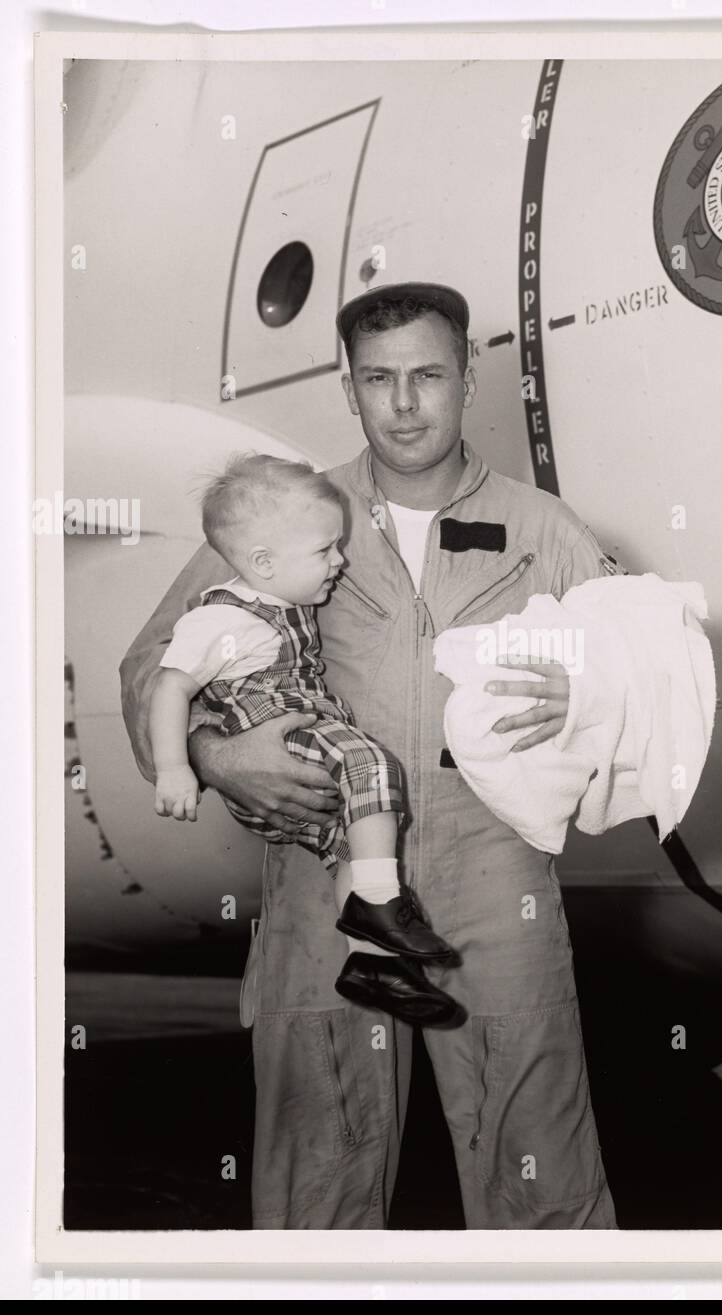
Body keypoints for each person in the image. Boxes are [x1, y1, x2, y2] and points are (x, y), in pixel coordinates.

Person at [120, 281, 619, 1229]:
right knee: (320, 1177)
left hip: (495, 876)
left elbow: (645, 670)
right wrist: (215, 758)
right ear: (348, 389)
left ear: (469, 377)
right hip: (323, 876)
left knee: (541, 1176)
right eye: (378, 379)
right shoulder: (287, 520)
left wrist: (593, 694)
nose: (404, 403)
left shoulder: (544, 529)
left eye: (428, 375)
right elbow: (153, 664)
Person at [147, 452, 464, 1026]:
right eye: (324, 551)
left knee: (352, 843)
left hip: (303, 751)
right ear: (263, 563)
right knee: (372, 768)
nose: (339, 561)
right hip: (276, 743)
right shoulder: (223, 620)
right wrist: (175, 767)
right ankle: (379, 902)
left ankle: (373, 965)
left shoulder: (280, 600)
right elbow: (169, 684)